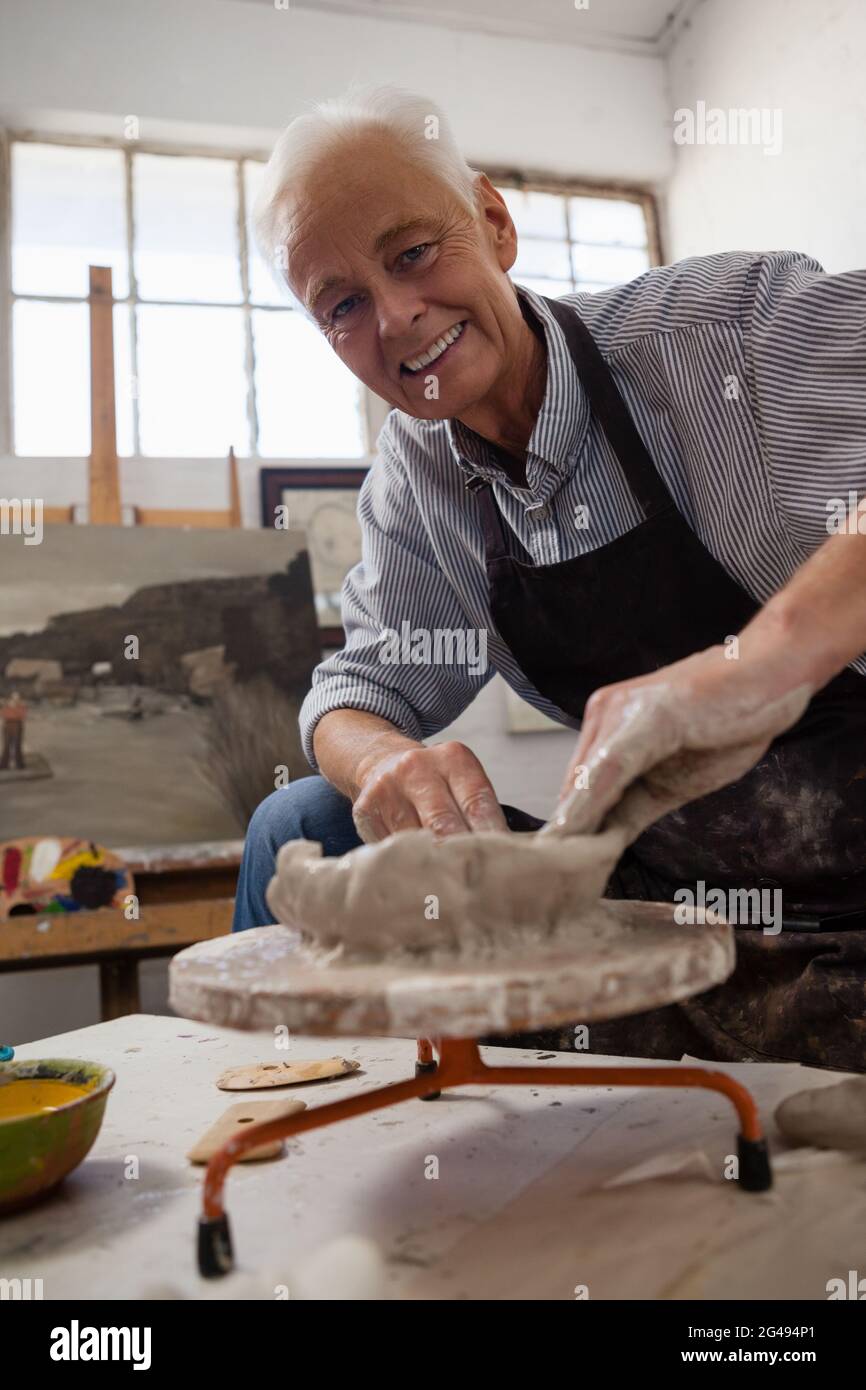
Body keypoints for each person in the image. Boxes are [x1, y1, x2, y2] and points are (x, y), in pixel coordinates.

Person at [233, 86, 866, 1070]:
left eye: (412, 253)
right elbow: (352, 692)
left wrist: (760, 662)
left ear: (493, 222)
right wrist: (385, 762)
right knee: (303, 821)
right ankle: (296, 1124)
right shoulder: (416, 478)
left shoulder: (729, 333)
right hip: (676, 928)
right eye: (342, 305)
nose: (396, 318)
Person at [0, 691, 27, 771]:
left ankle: (19, 764)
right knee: (6, 745)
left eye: (17, 698)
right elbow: (4, 714)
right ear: (11, 698)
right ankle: (4, 764)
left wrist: (14, 711)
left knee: (17, 745)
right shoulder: (6, 706)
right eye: (14, 698)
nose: (16, 700)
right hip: (7, 727)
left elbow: (22, 715)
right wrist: (12, 711)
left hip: (18, 727)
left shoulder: (21, 706)